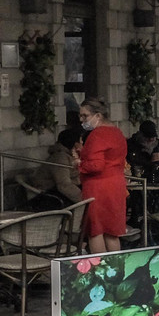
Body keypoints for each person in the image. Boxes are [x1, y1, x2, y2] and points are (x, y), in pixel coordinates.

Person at [77, 97, 129, 253]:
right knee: (112, 233)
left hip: (98, 187)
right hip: (116, 184)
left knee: (95, 230)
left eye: (85, 115)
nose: (81, 119)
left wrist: (79, 164)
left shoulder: (97, 135)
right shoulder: (117, 132)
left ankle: (100, 272)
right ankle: (116, 270)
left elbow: (96, 165)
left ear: (98, 116)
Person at [30, 128, 83, 210]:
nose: (82, 143)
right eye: (80, 141)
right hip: (52, 195)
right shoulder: (60, 157)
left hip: (65, 191)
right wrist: (84, 200)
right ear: (75, 144)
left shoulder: (68, 156)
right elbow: (64, 184)